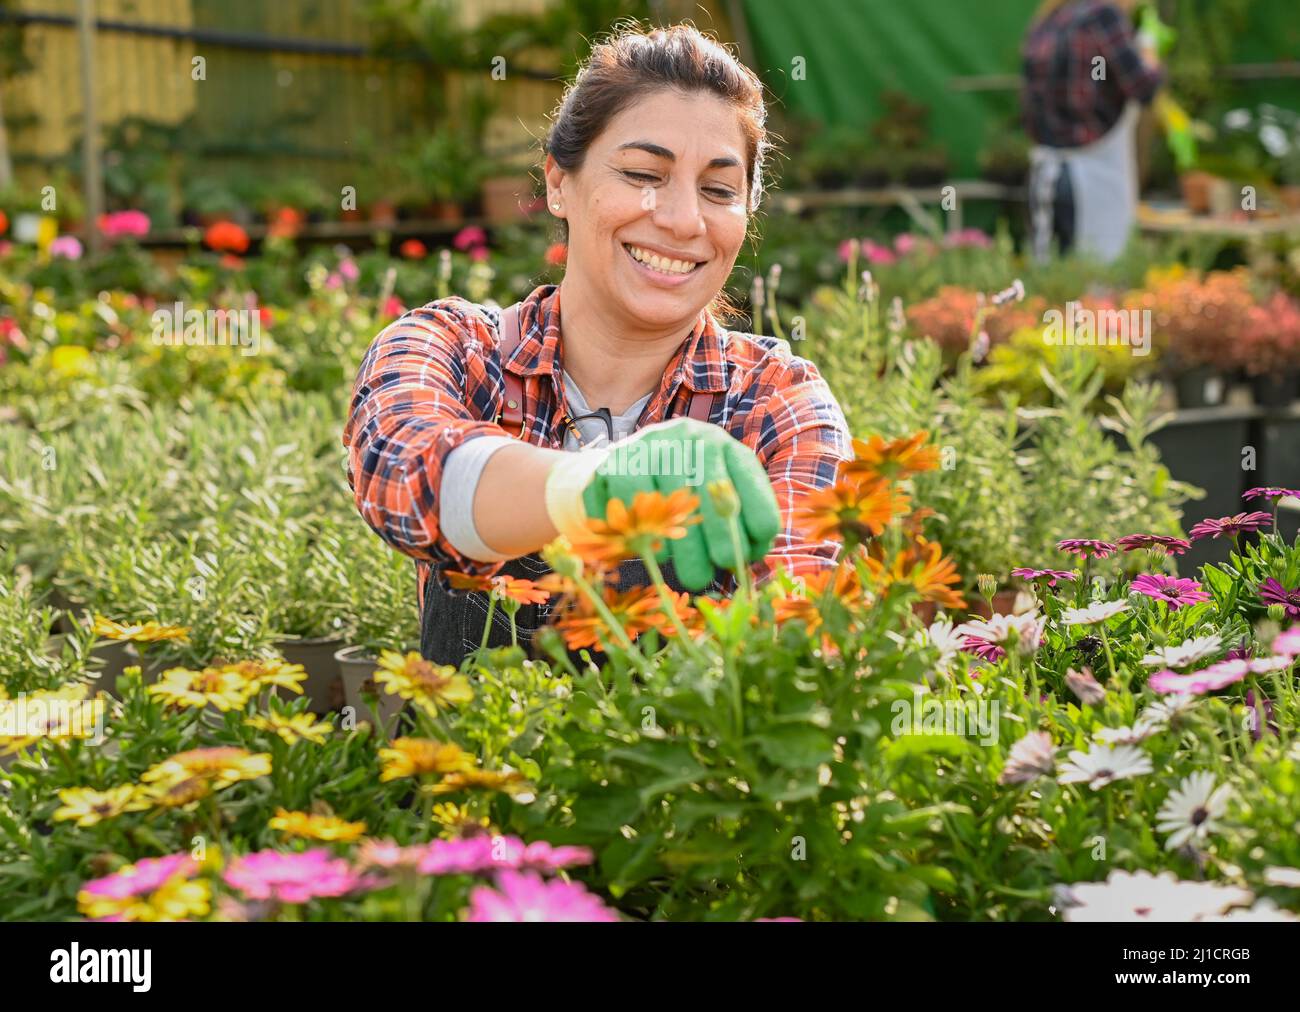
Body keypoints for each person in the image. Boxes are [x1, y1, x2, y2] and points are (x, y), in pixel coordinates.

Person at [343, 24, 852, 667]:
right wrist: (594, 484)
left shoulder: (775, 403)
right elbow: (399, 477)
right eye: (644, 173)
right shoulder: (459, 352)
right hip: (473, 759)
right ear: (559, 181)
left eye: (719, 190)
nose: (683, 220)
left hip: (694, 763)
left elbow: (801, 640)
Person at [1021, 0, 1164, 262]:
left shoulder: (1050, 18)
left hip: (1046, 176)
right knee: (1097, 287)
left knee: (1053, 285)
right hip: (1091, 181)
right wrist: (1149, 52)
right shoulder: (1104, 17)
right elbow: (1143, 87)